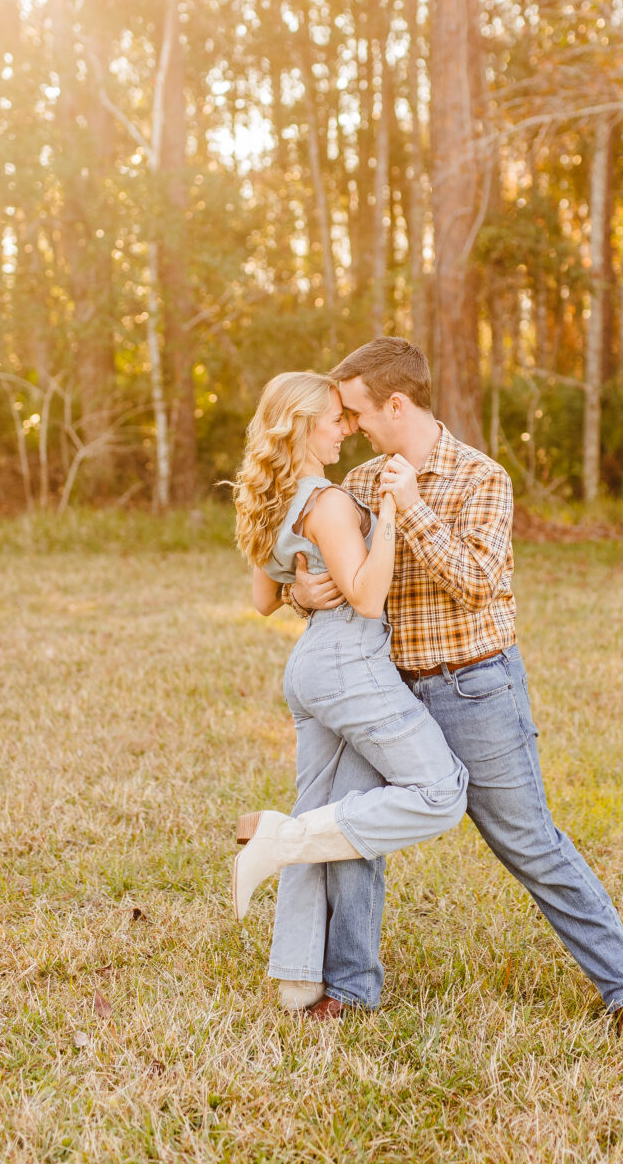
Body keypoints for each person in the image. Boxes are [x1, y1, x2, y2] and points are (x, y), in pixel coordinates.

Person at [251, 337, 623, 1032]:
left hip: (473, 688)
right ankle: (350, 988)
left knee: (529, 842)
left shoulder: (481, 478)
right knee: (354, 835)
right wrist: (306, 597)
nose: (347, 427)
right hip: (384, 691)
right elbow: (331, 577)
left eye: (355, 412)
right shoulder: (354, 484)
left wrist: (408, 506)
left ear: (397, 404)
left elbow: (477, 584)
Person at [231, 369, 468, 1014]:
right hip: (349, 662)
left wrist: (298, 591)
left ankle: (299, 979)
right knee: (442, 793)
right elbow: (366, 597)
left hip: (310, 665)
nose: (347, 429)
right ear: (306, 423)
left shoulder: (270, 498)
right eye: (336, 418)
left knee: (320, 817)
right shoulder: (330, 501)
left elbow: (261, 599)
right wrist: (390, 513)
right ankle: (280, 838)